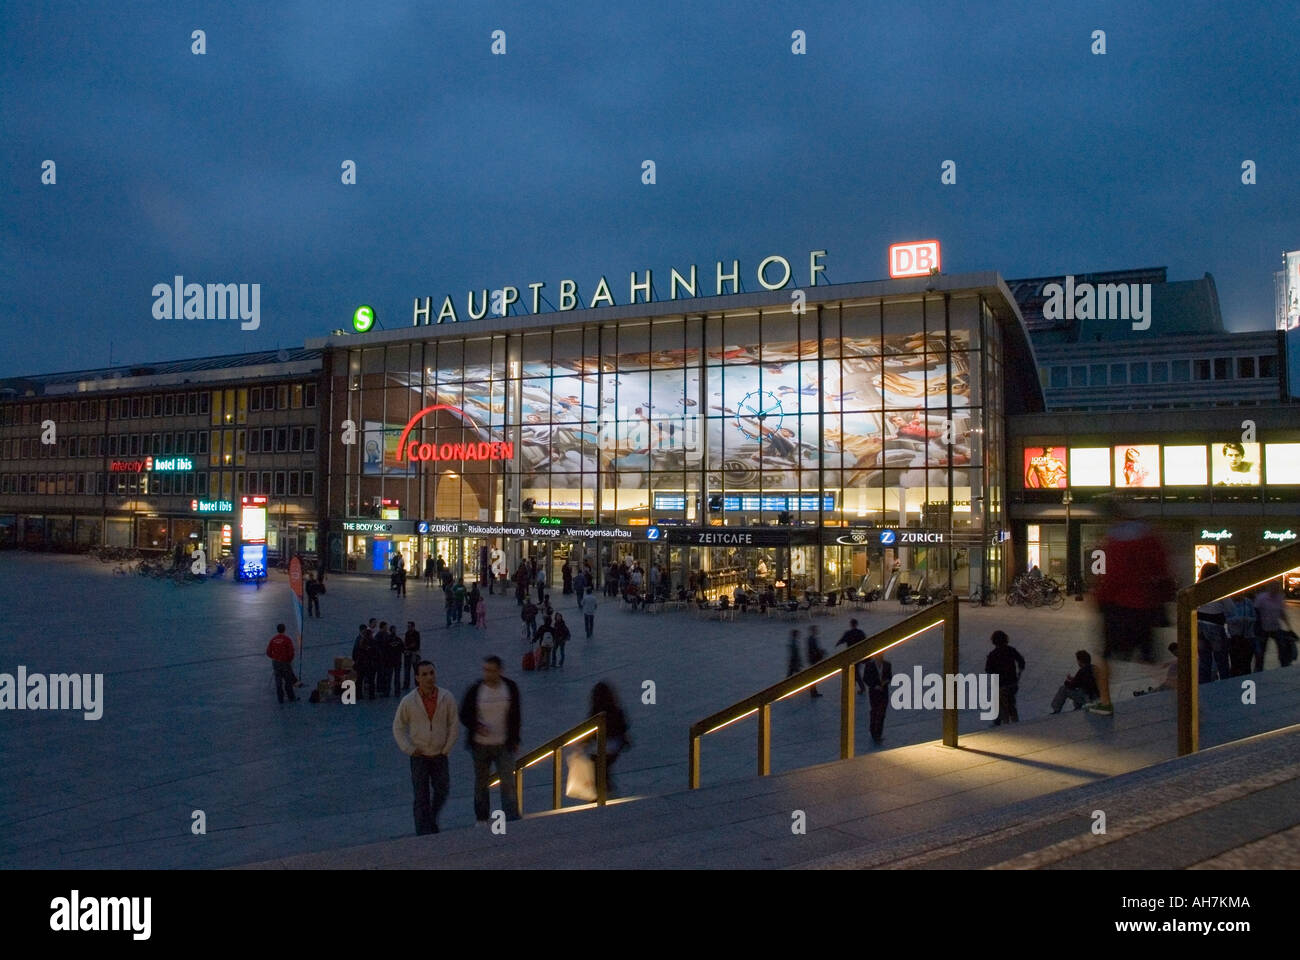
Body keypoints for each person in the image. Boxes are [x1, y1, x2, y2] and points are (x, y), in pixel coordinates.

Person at [1088, 497, 1175, 715]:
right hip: (1147, 606)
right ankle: (1188, 699)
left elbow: (1113, 578)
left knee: (1104, 657)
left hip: (1120, 608)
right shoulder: (1148, 535)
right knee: (1154, 661)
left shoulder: (1115, 540)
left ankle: (1105, 702)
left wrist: (1098, 599)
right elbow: (1163, 568)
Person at [393, 660, 458, 835]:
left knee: (442, 790)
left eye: (431, 673)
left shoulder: (447, 697)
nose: (429, 677)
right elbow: (398, 727)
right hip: (419, 755)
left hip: (439, 754)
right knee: (421, 797)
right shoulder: (409, 701)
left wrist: (446, 748)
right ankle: (423, 833)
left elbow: (453, 724)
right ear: (417, 678)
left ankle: (430, 819)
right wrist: (409, 748)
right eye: (424, 674)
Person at [459, 656, 522, 825]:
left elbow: (516, 715)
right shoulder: (475, 690)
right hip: (480, 746)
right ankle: (482, 818)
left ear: (500, 671)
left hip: (504, 744)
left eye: (492, 670)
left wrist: (515, 739)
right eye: (485, 670)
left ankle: (511, 818)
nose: (488, 674)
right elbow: (464, 713)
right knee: (481, 783)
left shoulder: (510, 688)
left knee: (508, 783)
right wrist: (477, 726)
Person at [589, 681, 630, 794]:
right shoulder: (616, 709)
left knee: (599, 764)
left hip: (603, 746)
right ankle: (605, 787)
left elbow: (590, 729)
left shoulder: (596, 710)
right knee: (604, 766)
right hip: (615, 745)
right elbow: (623, 726)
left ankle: (602, 790)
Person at [1195, 563, 1231, 683]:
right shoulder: (1219, 588)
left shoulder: (1198, 587)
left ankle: (1203, 686)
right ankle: (1225, 686)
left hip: (1199, 626)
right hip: (1215, 626)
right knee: (1221, 659)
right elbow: (1231, 608)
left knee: (1204, 660)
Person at [985, 630, 1025, 725]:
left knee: (1001, 703)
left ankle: (1003, 723)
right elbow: (1021, 661)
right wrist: (1019, 671)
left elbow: (988, 669)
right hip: (1012, 682)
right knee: (1011, 702)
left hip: (1001, 683)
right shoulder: (1011, 650)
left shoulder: (993, 654)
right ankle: (1014, 721)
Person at [1254, 579, 1296, 669]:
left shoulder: (1279, 598)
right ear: (1269, 588)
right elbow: (1256, 612)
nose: (1275, 589)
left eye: (1277, 587)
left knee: (1282, 647)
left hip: (1275, 627)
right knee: (1261, 651)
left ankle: (1284, 664)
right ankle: (1259, 668)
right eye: (1273, 587)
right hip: (1263, 628)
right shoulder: (1262, 598)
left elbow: (1282, 613)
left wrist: (1289, 627)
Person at [861, 650, 892, 744]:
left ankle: (878, 734)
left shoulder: (887, 664)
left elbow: (890, 676)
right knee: (875, 712)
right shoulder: (869, 665)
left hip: (883, 693)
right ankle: (874, 732)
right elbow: (865, 678)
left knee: (882, 713)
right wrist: (875, 686)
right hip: (874, 693)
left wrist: (885, 681)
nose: (880, 658)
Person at [266, 623, 297, 703]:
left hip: (276, 663)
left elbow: (268, 652)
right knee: (288, 681)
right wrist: (289, 660)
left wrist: (274, 657)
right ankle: (291, 697)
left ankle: (280, 699)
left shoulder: (273, 639)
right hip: (285, 663)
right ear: (284, 629)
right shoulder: (287, 639)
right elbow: (291, 652)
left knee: (278, 681)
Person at [836, 619, 868, 693]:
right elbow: (865, 643)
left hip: (851, 656)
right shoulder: (860, 633)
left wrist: (838, 643)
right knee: (855, 671)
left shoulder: (848, 633)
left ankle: (859, 687)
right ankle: (856, 686)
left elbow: (842, 640)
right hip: (858, 656)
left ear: (851, 624)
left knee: (854, 672)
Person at [351, 624, 377, 700]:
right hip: (370, 664)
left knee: (359, 680)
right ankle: (371, 695)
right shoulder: (373, 642)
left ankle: (359, 695)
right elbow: (376, 653)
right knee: (371, 680)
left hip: (361, 664)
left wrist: (356, 661)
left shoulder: (360, 641)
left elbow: (355, 652)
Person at [382, 623, 404, 697]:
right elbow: (403, 649)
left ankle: (387, 692)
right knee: (396, 678)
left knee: (389, 678)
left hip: (390, 662)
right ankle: (397, 692)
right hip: (397, 661)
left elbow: (384, 651)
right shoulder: (398, 640)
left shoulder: (387, 640)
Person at [806, 625, 826, 698]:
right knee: (813, 676)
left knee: (813, 676)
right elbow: (814, 650)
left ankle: (813, 691)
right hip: (813, 659)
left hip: (812, 659)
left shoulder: (811, 639)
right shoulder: (812, 639)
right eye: (815, 630)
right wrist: (820, 653)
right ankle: (813, 691)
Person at [402, 621, 421, 691]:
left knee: (416, 669)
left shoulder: (416, 634)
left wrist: (407, 647)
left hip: (414, 654)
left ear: (413, 627)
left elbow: (416, 645)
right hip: (408, 653)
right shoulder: (407, 633)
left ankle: (418, 683)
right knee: (407, 670)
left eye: (409, 626)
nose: (408, 628)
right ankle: (406, 684)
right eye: (408, 626)